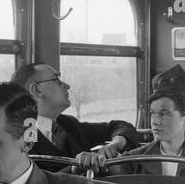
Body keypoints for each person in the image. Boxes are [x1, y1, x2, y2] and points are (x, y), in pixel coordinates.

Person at [13, 61, 142, 170]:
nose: (66, 86)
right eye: (56, 79)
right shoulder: (17, 135)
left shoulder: (68, 124)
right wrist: (75, 168)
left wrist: (115, 144)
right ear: (37, 90)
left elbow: (120, 126)